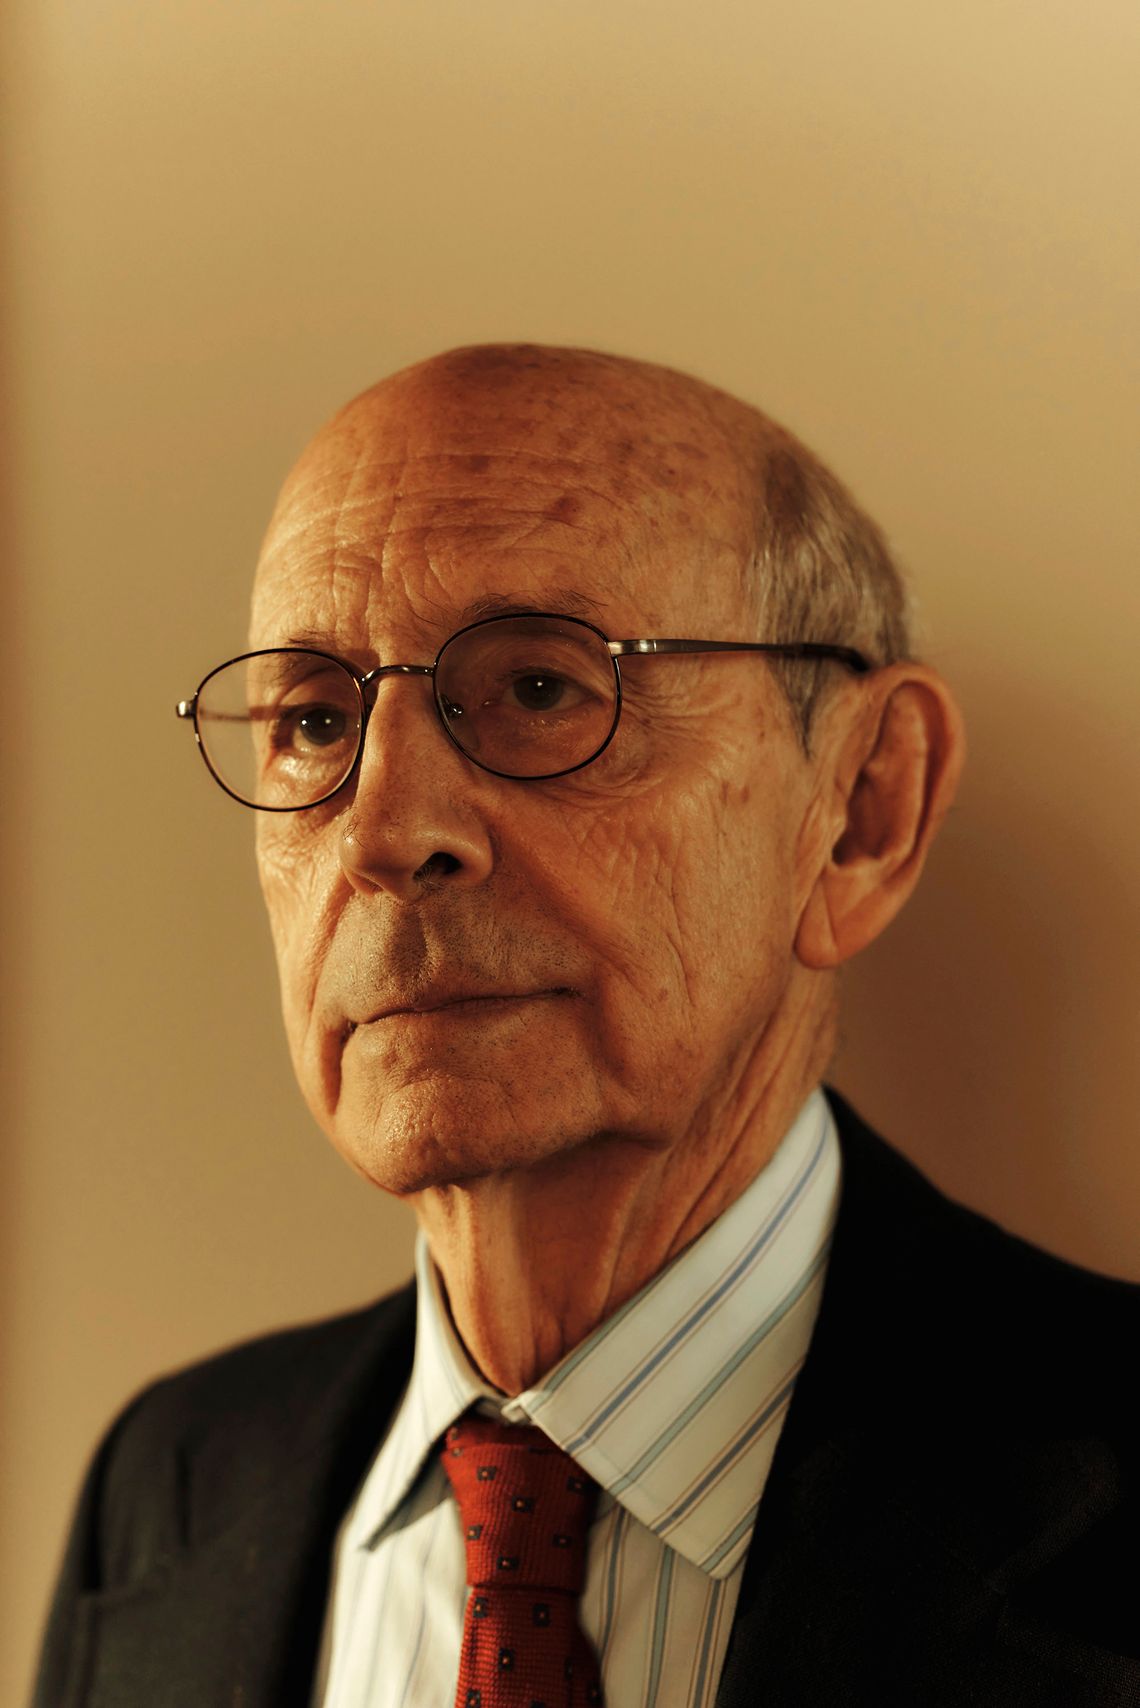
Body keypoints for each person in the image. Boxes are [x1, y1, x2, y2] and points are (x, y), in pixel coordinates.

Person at [34, 346, 1139, 1707]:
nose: (386, 831)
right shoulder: (167, 1488)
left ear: (860, 813)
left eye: (543, 688)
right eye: (313, 720)